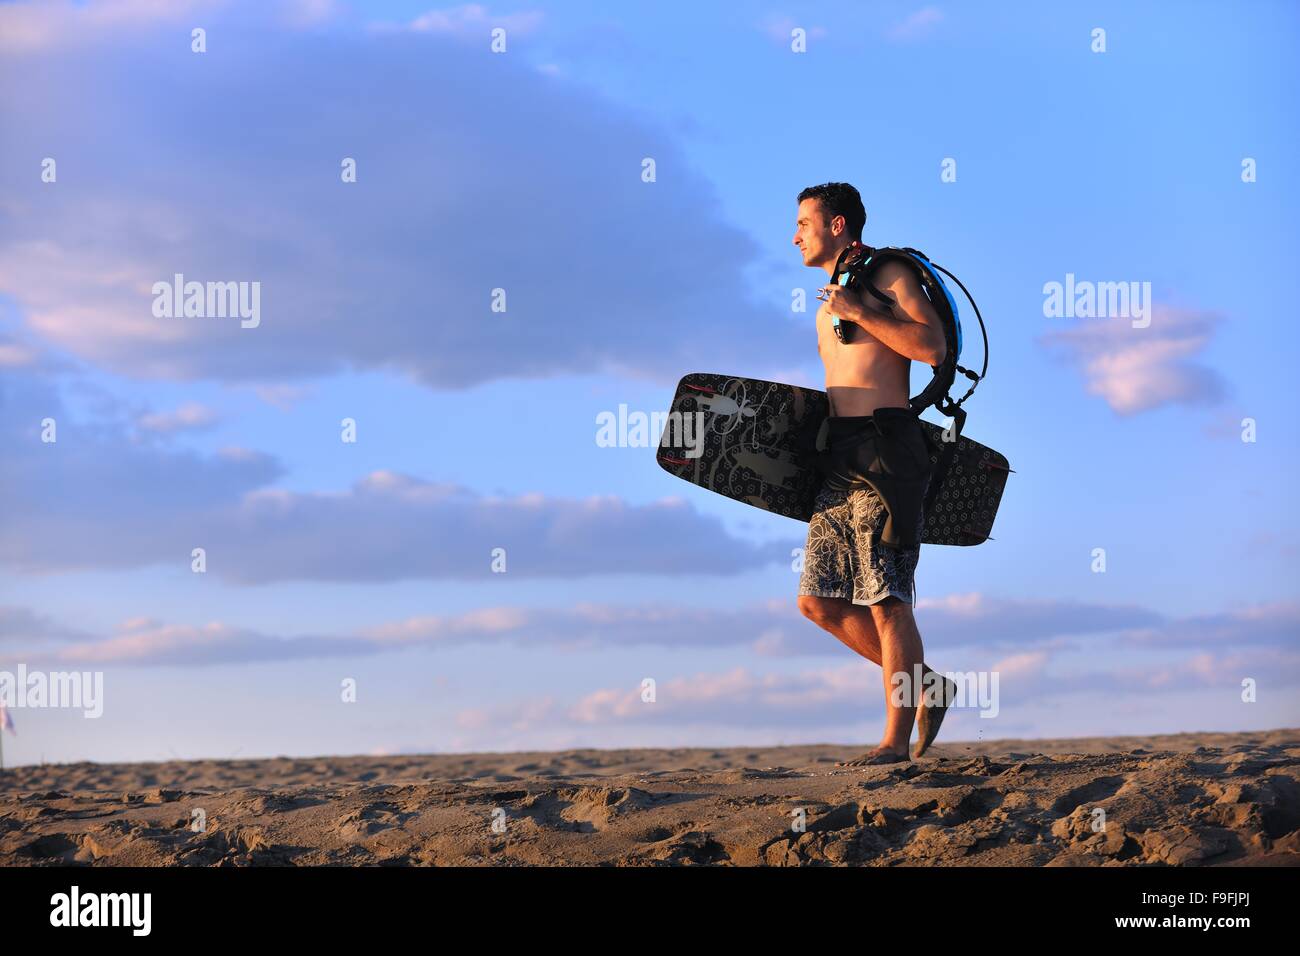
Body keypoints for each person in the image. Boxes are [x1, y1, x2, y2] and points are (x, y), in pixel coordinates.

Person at [792, 182, 958, 765]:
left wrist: (861, 311)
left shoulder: (888, 274)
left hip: (888, 451)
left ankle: (893, 742)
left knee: (887, 600)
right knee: (818, 601)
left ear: (838, 225)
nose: (796, 237)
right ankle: (927, 685)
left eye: (805, 225)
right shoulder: (830, 296)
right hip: (841, 459)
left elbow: (933, 346)